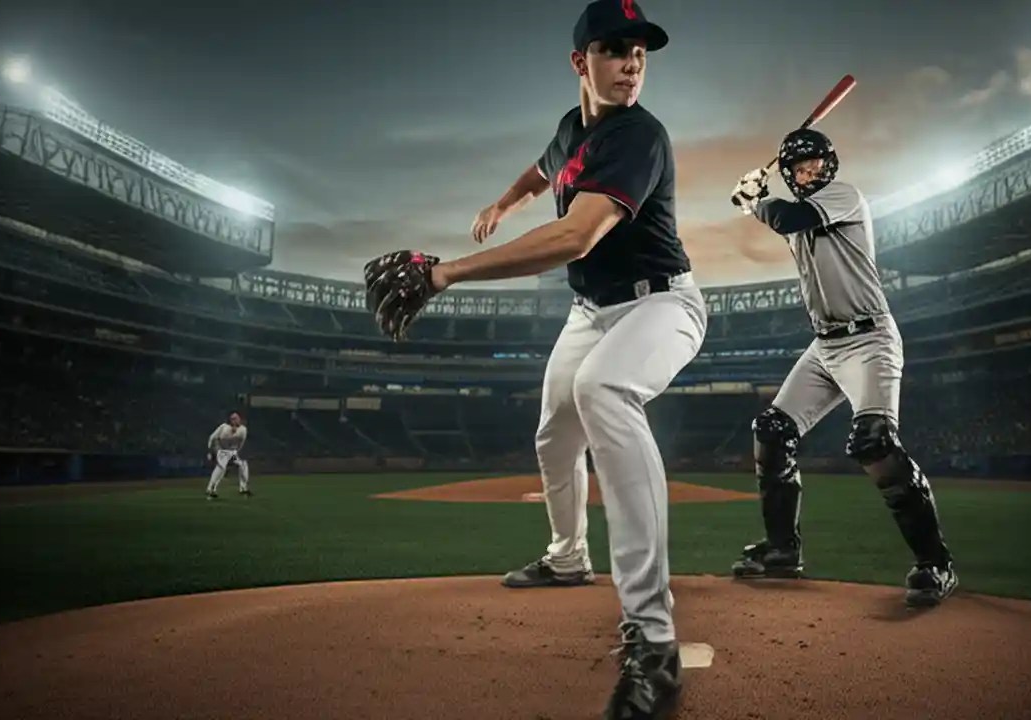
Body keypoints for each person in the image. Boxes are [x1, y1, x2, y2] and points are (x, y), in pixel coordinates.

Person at [362, 2, 702, 715]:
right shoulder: (572, 130)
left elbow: (576, 238)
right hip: (592, 310)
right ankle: (568, 556)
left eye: (641, 50)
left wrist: (446, 272)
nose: (633, 61)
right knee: (554, 430)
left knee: (605, 391)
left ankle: (654, 639)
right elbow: (543, 170)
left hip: (660, 304)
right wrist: (503, 202)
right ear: (581, 62)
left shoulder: (640, 136)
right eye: (616, 48)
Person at [727, 128, 958, 608]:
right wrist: (758, 201)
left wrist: (755, 199)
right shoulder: (802, 206)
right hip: (825, 347)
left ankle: (936, 563)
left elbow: (788, 217)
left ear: (828, 165)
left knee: (874, 444)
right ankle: (782, 550)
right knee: (771, 430)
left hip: (870, 339)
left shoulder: (843, 196)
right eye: (798, 168)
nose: (807, 172)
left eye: (814, 164)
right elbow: (786, 219)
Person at [206, 411, 250, 499]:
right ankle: (211, 488)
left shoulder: (243, 430)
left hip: (232, 452)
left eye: (236, 418)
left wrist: (236, 451)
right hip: (222, 451)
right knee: (221, 468)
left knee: (242, 465)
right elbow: (212, 438)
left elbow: (241, 443)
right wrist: (210, 451)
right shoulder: (223, 427)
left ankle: (243, 488)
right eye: (233, 419)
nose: (235, 420)